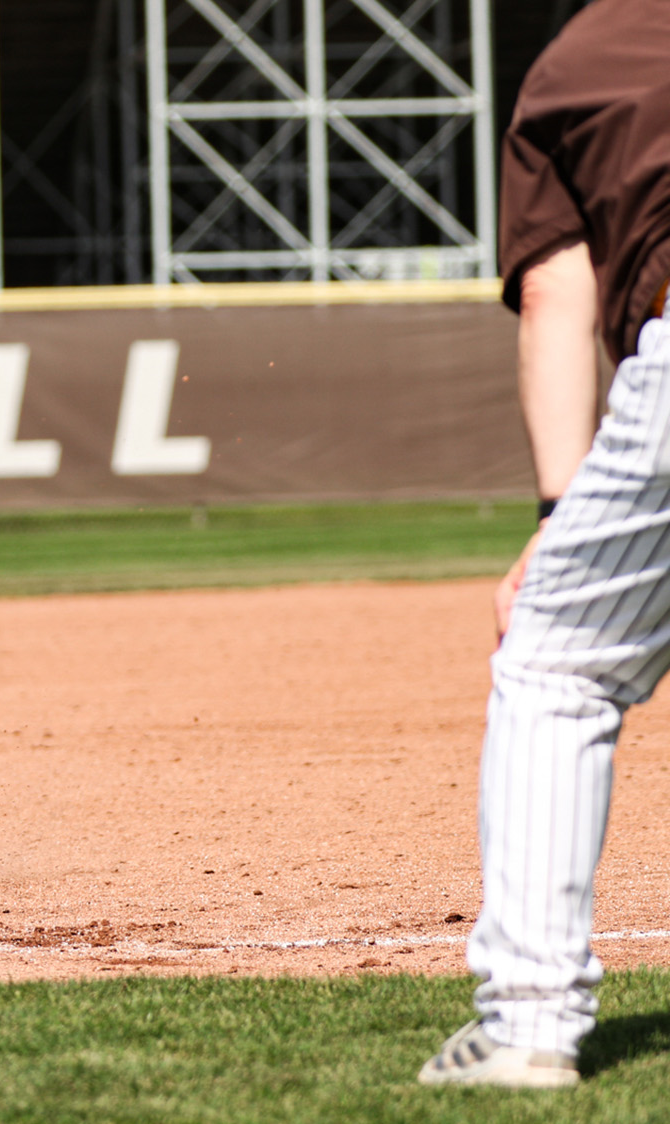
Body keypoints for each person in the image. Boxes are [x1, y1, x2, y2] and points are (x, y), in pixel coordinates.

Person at [419, 0, 670, 1087]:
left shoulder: (585, 55)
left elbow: (557, 289)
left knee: (557, 659)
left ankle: (527, 1022)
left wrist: (554, 518)